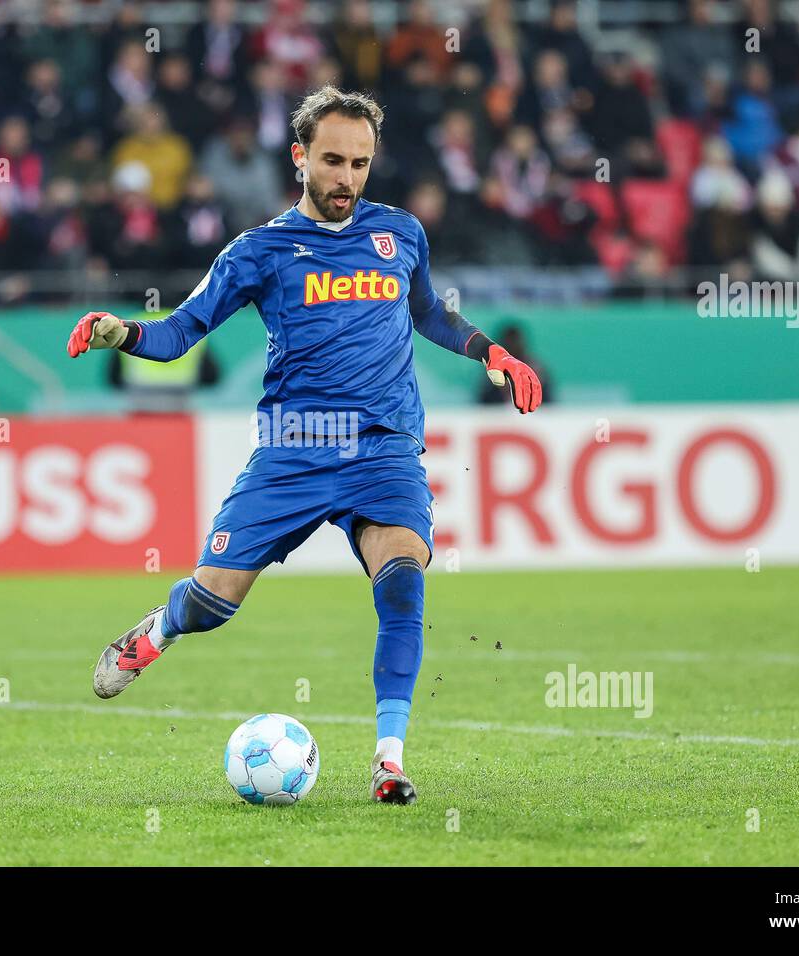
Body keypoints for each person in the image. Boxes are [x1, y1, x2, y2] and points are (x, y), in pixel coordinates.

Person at [65, 87, 542, 804]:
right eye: (332, 161)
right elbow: (180, 333)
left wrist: (491, 352)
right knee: (213, 603)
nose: (346, 178)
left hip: (384, 447)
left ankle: (389, 761)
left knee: (404, 583)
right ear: (299, 159)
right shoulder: (258, 251)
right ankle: (159, 629)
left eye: (359, 163)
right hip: (294, 448)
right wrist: (122, 332)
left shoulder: (400, 234)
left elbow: (427, 315)